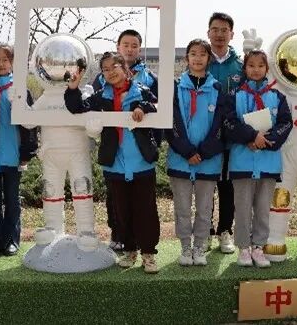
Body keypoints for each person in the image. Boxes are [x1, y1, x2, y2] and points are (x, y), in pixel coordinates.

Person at [65, 52, 160, 273]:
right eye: (105, 69)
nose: (110, 72)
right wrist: (73, 87)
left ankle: (148, 254)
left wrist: (142, 107)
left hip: (142, 164)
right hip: (115, 164)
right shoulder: (101, 96)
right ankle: (130, 251)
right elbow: (76, 107)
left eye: (114, 66)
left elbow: (155, 104)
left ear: (125, 68)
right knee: (121, 212)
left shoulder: (141, 91)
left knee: (145, 211)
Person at [91, 29, 157, 252]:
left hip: (139, 155)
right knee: (117, 201)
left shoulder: (149, 78)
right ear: (118, 47)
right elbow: (91, 106)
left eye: (134, 45)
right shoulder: (101, 82)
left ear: (139, 49)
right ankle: (118, 235)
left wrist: (151, 144)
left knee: (142, 205)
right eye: (125, 44)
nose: (130, 49)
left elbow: (156, 105)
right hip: (115, 155)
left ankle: (145, 247)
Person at [225, 50, 292, 267]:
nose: (256, 70)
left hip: (268, 164)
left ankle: (258, 247)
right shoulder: (234, 95)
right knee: (243, 209)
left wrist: (266, 140)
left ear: (267, 69)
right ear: (245, 68)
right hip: (242, 163)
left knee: (263, 210)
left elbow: (285, 123)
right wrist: (251, 136)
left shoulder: (277, 97)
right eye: (251, 65)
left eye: (260, 66)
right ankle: (244, 248)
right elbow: (229, 122)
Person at [166, 39, 225, 266]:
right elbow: (171, 122)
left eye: (202, 54)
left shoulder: (217, 88)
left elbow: (220, 124)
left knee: (204, 208)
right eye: (193, 53)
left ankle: (200, 246)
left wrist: (204, 151)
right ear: (186, 58)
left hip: (208, 161)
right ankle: (185, 246)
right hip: (180, 159)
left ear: (209, 59)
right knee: (182, 208)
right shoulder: (174, 87)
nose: (198, 58)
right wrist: (187, 151)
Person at [0, 44, 38, 257]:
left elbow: (31, 125)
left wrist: (26, 153)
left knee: (12, 199)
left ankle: (11, 240)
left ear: (12, 63)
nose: (0, 64)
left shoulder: (20, 90)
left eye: (5, 60)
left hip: (13, 154)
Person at [206, 12, 244, 254]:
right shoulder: (200, 60)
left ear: (232, 34)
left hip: (232, 137)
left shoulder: (241, 65)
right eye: (215, 29)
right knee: (206, 185)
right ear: (208, 33)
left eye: (224, 30)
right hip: (206, 135)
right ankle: (206, 231)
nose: (219, 34)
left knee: (228, 186)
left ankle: (225, 231)